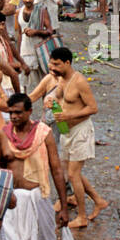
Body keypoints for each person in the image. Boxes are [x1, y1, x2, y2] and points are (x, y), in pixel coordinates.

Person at [0, 93, 71, 240]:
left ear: (29, 112)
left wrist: (64, 206)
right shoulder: (3, 135)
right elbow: (1, 169)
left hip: (38, 196)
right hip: (12, 201)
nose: (14, 116)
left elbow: (56, 170)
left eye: (18, 112)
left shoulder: (44, 134)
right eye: (11, 112)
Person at [29, 47, 107, 229]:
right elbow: (58, 98)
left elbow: (93, 108)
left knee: (73, 174)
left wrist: (69, 116)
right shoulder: (62, 80)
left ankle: (82, 216)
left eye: (56, 64)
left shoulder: (79, 81)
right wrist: (52, 102)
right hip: (66, 131)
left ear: (67, 63)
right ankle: (98, 200)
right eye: (51, 63)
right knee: (71, 173)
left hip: (80, 130)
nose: (52, 67)